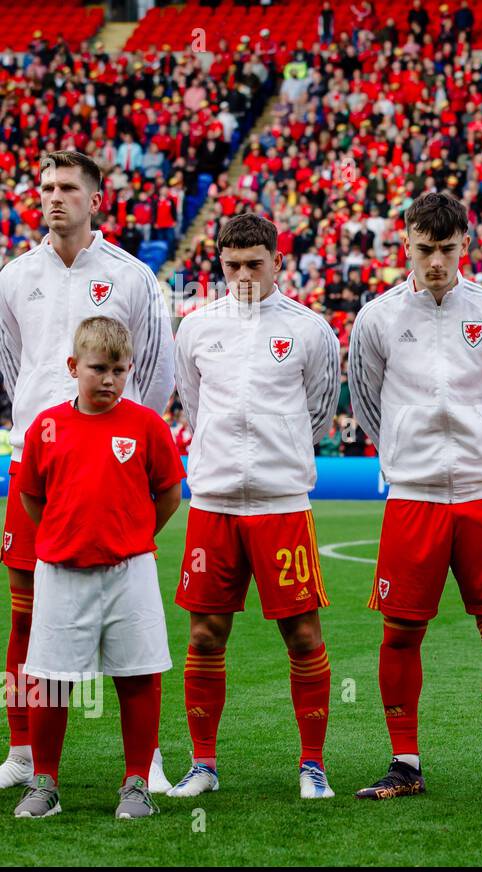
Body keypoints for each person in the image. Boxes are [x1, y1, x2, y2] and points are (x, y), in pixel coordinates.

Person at [349, 191, 482, 802]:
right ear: (406, 243)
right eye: (425, 249)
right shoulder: (377, 317)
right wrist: (409, 456)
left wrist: (478, 447)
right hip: (414, 495)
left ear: (467, 245)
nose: (436, 262)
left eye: (448, 250)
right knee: (401, 632)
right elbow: (367, 403)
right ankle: (404, 762)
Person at [0, 150, 176, 794]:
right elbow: (14, 365)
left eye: (68, 187)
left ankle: (144, 760)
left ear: (95, 198)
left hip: (116, 457)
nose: (54, 197)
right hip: (37, 459)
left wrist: (125, 441)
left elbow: (154, 369)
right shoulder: (14, 276)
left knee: (132, 621)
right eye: (45, 187)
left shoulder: (132, 277)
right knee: (24, 618)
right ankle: (23, 752)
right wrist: (42, 432)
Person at [167, 214, 342, 800]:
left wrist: (278, 456)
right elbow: (194, 406)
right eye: (232, 264)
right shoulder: (195, 328)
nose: (243, 274)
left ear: (277, 262)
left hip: (281, 503)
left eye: (254, 263)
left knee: (302, 634)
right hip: (213, 501)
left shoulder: (311, 330)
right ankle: (204, 764)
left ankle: (312, 764)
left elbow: (318, 410)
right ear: (219, 263)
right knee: (206, 634)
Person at [12, 318, 185, 819]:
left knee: (137, 676)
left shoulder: (146, 424)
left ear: (129, 370)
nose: (108, 379)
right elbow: (30, 494)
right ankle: (44, 782)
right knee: (48, 678)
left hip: (130, 571)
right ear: (73, 367)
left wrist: (132, 535)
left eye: (118, 370)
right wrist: (66, 534)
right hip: (61, 571)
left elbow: (170, 493)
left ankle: (135, 784)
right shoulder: (46, 426)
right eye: (97, 369)